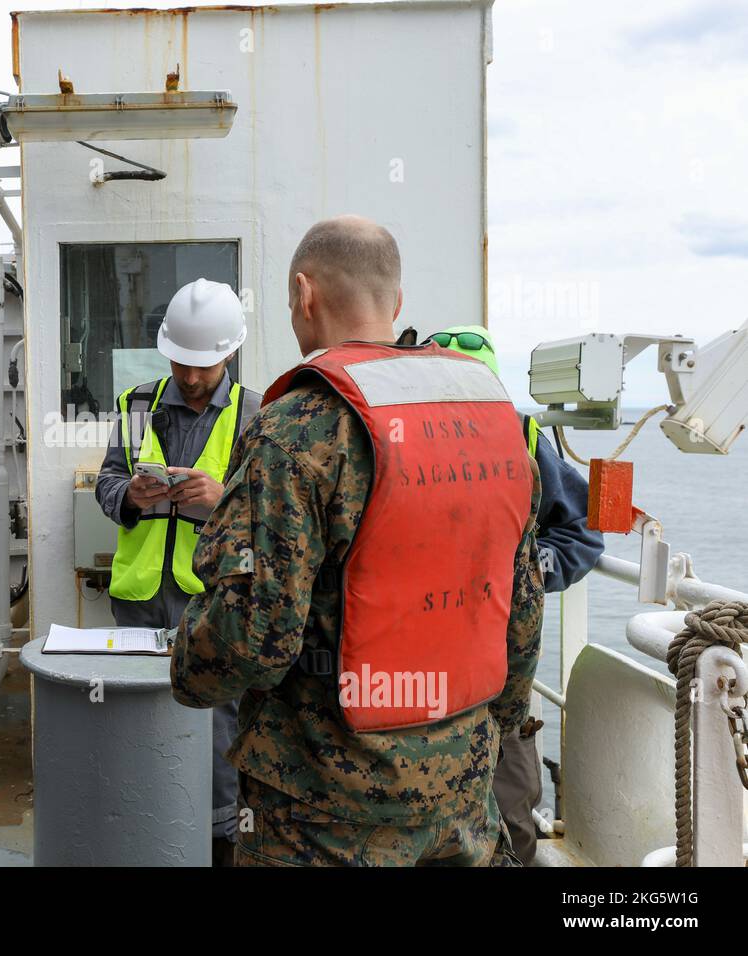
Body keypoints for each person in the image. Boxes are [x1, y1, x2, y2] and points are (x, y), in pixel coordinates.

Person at [170, 215, 544, 866]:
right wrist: (496, 728)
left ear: (304, 295)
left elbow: (254, 642)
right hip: (464, 796)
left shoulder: (294, 430)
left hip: (322, 811)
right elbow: (522, 618)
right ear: (395, 302)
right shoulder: (496, 423)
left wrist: (183, 672)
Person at [95, 277, 260, 865]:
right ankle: (142, 824)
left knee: (217, 723)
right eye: (181, 363)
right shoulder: (138, 405)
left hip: (211, 602)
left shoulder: (254, 415)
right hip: (140, 597)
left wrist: (223, 498)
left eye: (204, 366)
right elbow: (107, 482)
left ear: (228, 354)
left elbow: (269, 516)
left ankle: (218, 840)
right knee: (138, 714)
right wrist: (133, 496)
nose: (190, 378)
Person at [427, 324, 604, 863]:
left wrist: (521, 572)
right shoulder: (401, 437)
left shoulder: (523, 436)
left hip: (501, 670)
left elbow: (580, 532)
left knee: (510, 812)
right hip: (417, 667)